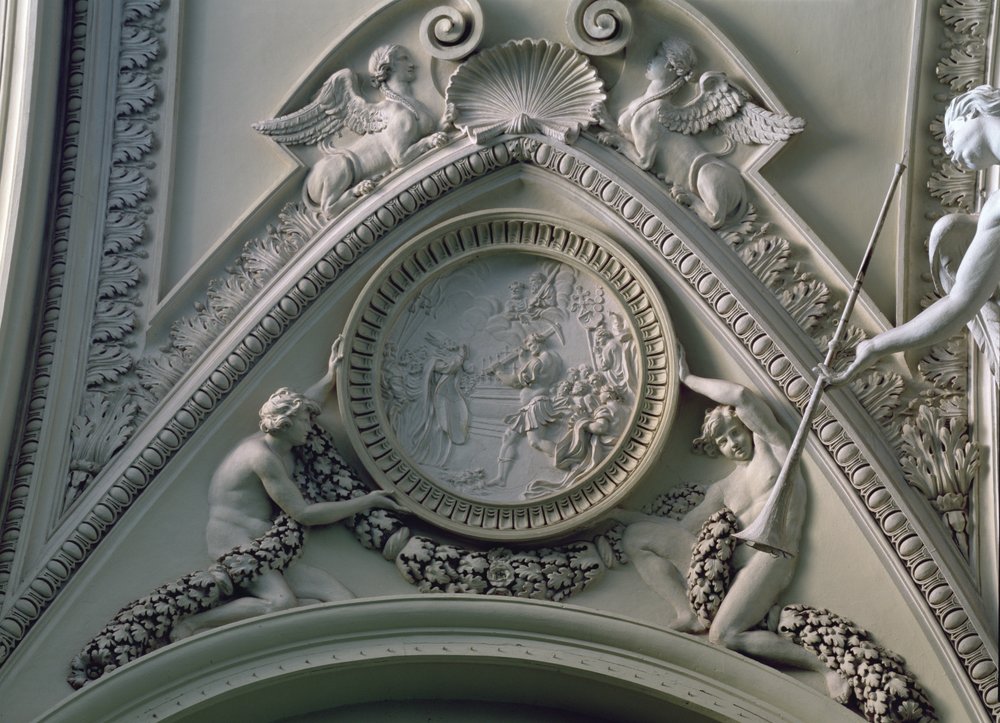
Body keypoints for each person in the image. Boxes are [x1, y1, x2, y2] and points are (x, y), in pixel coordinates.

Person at [612, 348, 850, 701]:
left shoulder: (775, 450)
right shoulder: (723, 488)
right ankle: (687, 611)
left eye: (735, 432)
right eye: (722, 440)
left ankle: (823, 668)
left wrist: (688, 379)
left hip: (770, 556)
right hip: (726, 566)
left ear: (747, 427)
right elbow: (681, 527)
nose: (732, 443)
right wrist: (616, 515)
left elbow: (740, 396)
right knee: (638, 536)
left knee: (725, 635)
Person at [170, 338, 403, 640]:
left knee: (338, 595)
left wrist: (330, 377)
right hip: (235, 540)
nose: (310, 424)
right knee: (279, 602)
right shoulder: (262, 458)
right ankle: (192, 625)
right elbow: (303, 513)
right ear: (285, 423)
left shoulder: (282, 440)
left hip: (266, 543)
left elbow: (308, 402)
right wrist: (366, 501)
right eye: (304, 420)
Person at [828, 85, 1000, 383]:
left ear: (973, 112)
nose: (950, 153)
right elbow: (960, 303)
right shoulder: (996, 210)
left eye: (950, 137)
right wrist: (875, 346)